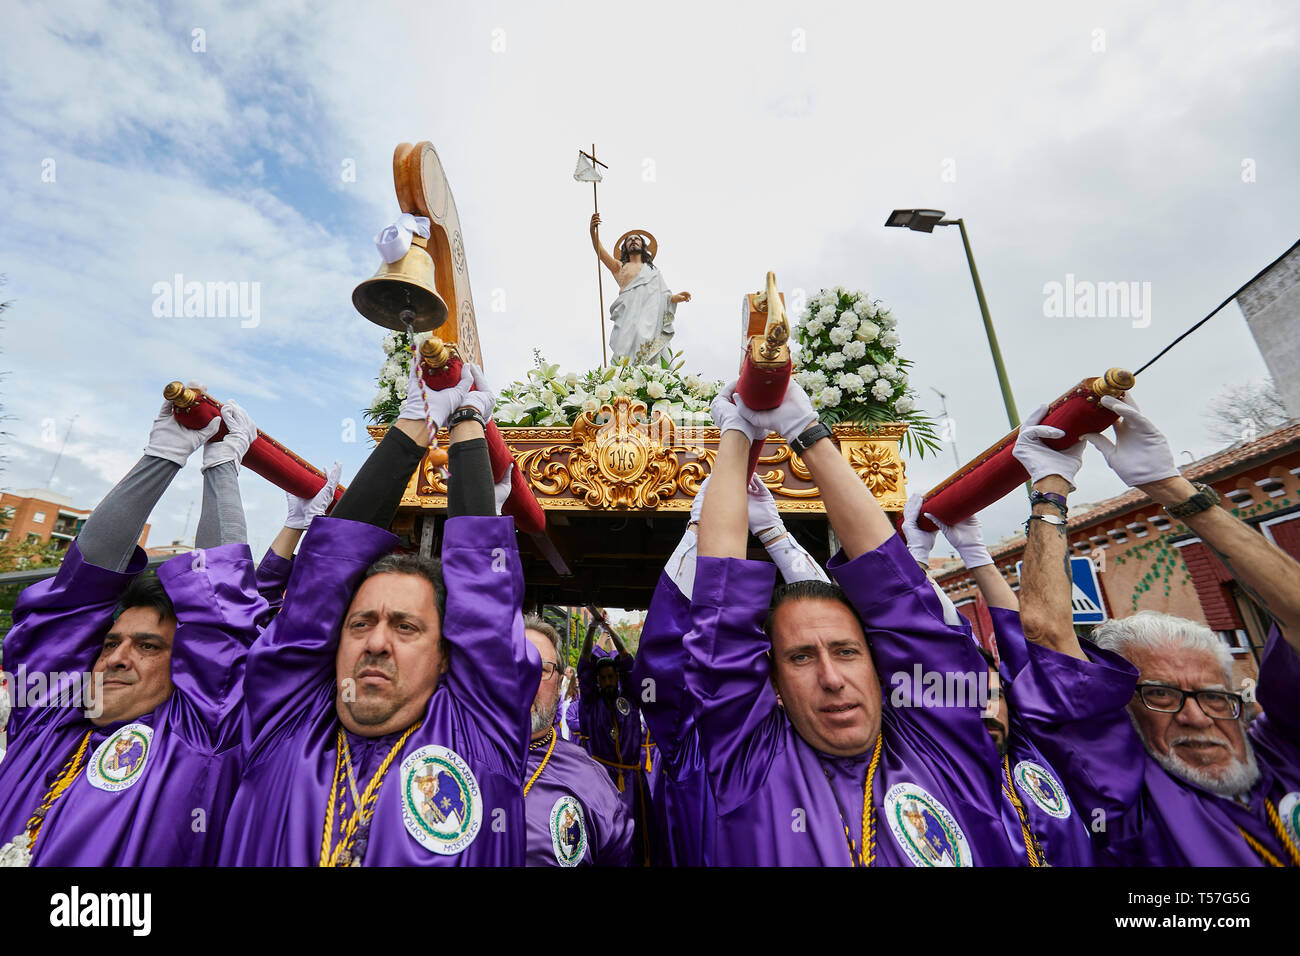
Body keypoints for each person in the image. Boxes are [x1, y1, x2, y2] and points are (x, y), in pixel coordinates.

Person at [681, 379, 1019, 866]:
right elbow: (720, 618)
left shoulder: (946, 743)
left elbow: (898, 596)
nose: (832, 679)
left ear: (879, 664)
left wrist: (806, 431)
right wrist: (735, 434)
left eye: (846, 651)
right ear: (772, 682)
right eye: (800, 657)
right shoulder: (750, 764)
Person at [219, 360, 539, 866]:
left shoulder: (480, 735)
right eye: (360, 623)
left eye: (406, 626)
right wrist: (415, 420)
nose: (376, 642)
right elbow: (321, 582)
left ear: (445, 658)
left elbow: (484, 601)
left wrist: (469, 420)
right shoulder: (283, 720)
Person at [1011, 397, 1300, 866]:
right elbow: (1046, 633)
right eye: (1161, 695)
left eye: (1212, 695)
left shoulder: (1281, 747)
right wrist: (1049, 488)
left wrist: (1171, 487)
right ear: (1119, 711)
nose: (1197, 718)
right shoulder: (1126, 792)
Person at [0, 391, 265, 866]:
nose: (119, 657)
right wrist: (162, 456)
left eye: (148, 646)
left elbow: (222, 614)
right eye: (110, 643)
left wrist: (222, 468)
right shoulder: (43, 720)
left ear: (186, 667)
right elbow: (72, 599)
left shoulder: (195, 740)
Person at [633, 474, 830, 866]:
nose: (829, 673)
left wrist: (776, 537)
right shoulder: (702, 750)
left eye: (796, 659)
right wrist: (695, 531)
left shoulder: (841, 736)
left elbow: (838, 635)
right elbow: (659, 663)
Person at [900, 494, 1095, 866]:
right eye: (966, 698)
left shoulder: (1039, 748)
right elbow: (912, 646)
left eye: (994, 695)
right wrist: (914, 566)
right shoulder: (931, 771)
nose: (987, 711)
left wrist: (977, 557)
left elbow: (1028, 652)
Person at [522, 615, 632, 866]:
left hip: (626, 780)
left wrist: (608, 631)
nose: (525, 679)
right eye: (515, 666)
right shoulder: (456, 749)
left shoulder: (589, 780)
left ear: (559, 681)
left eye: (541, 670)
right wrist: (593, 628)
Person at [576, 614, 654, 862]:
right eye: (604, 678)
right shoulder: (591, 703)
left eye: (612, 676)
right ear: (598, 681)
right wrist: (591, 630)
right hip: (602, 779)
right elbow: (584, 666)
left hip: (633, 780)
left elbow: (628, 661)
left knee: (637, 837)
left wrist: (610, 629)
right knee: (606, 836)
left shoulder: (629, 698)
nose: (608, 680)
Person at [589, 213, 690, 366]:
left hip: (651, 318)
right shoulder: (619, 267)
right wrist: (592, 232)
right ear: (625, 248)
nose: (633, 241)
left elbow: (663, 295)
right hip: (629, 318)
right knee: (628, 351)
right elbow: (600, 251)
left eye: (637, 239)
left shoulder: (653, 270)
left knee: (652, 350)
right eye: (629, 240)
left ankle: (653, 383)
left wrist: (675, 298)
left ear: (643, 246)